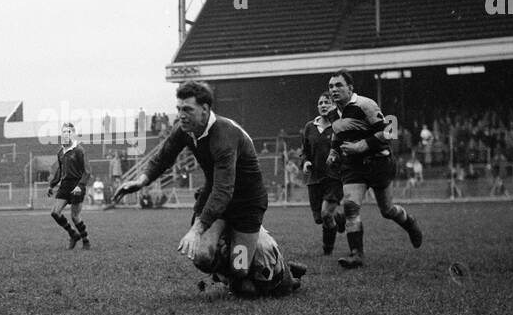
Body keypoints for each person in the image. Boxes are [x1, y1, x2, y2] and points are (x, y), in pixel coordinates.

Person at [114, 80, 303, 294]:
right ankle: (242, 264)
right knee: (202, 256)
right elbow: (164, 155)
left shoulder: (224, 135)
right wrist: (141, 180)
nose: (181, 115)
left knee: (240, 273)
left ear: (205, 109)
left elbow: (225, 191)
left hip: (246, 206)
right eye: (178, 109)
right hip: (214, 197)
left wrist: (196, 229)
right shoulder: (185, 129)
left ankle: (283, 270)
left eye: (187, 109)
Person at [326, 71, 422, 269]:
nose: (334, 90)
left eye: (338, 85)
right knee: (351, 207)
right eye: (331, 86)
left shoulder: (365, 104)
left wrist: (363, 145)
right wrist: (333, 153)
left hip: (378, 163)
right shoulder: (332, 113)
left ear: (350, 88)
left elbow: (391, 129)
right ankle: (356, 255)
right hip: (353, 166)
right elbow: (337, 136)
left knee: (387, 210)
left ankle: (410, 223)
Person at [301, 93, 346, 255]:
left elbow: (346, 147)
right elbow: (304, 151)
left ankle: (327, 250)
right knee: (320, 218)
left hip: (334, 177)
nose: (323, 105)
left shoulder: (339, 125)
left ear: (333, 105)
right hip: (314, 179)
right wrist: (305, 162)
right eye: (320, 103)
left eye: (327, 102)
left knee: (326, 214)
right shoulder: (309, 127)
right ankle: (340, 218)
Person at [48, 122, 91, 248]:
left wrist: (80, 185)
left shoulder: (79, 150)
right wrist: (52, 185)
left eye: (69, 132)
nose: (66, 134)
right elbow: (60, 171)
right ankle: (73, 234)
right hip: (65, 185)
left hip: (77, 184)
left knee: (75, 216)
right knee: (55, 212)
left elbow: (87, 171)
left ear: (73, 134)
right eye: (64, 132)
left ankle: (86, 240)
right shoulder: (60, 152)